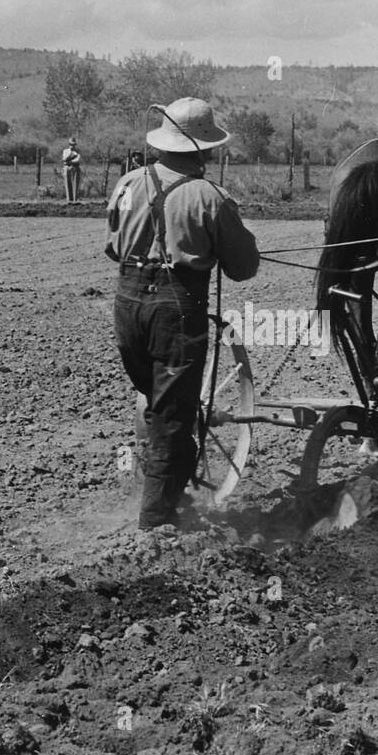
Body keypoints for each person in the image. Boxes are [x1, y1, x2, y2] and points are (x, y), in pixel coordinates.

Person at [106, 98, 260, 529]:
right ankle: (155, 522)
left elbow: (113, 246)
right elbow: (243, 267)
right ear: (204, 149)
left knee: (158, 403)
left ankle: (174, 485)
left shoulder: (126, 184)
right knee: (173, 417)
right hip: (176, 306)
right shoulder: (209, 197)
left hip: (128, 303)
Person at [62, 136, 82, 202]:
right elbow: (64, 159)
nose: (72, 146)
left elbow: (77, 160)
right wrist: (71, 155)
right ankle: (69, 199)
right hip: (67, 168)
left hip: (75, 168)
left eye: (73, 144)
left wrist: (69, 161)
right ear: (69, 144)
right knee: (67, 183)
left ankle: (75, 199)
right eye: (71, 144)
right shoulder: (65, 151)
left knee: (75, 183)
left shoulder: (78, 151)